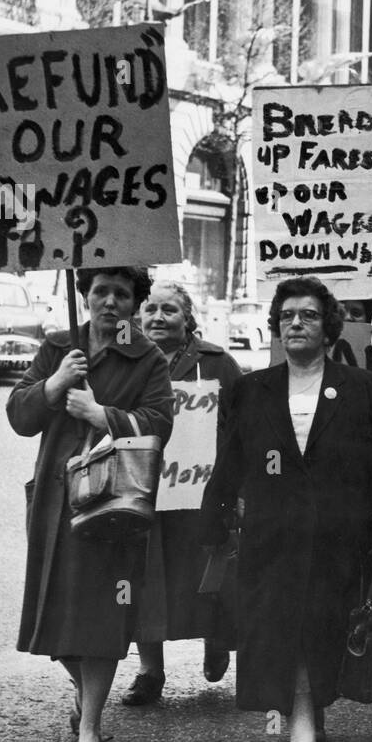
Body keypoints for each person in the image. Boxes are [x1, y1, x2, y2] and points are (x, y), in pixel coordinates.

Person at [201, 276, 372, 742]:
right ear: (276, 325)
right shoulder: (252, 389)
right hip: (273, 538)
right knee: (282, 630)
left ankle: (311, 717)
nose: (296, 322)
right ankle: (301, 735)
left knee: (324, 628)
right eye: (287, 314)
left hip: (339, 537)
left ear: (328, 326)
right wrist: (214, 518)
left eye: (309, 314)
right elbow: (229, 463)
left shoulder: (364, 390)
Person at [8, 267, 174, 742]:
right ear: (84, 294)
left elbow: (160, 424)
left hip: (113, 506)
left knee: (101, 614)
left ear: (133, 303)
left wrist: (102, 414)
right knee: (54, 611)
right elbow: (19, 416)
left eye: (121, 294)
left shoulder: (147, 357)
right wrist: (56, 383)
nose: (109, 302)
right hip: (57, 504)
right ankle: (85, 691)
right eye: (99, 291)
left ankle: (90, 729)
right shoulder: (58, 348)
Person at [123, 281, 242, 708]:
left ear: (187, 318)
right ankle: (149, 670)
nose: (158, 317)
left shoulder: (217, 362)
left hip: (201, 492)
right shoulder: (127, 360)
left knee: (207, 572)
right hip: (144, 488)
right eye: (150, 309)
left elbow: (240, 423)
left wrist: (235, 486)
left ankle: (217, 639)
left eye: (169, 310)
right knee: (147, 578)